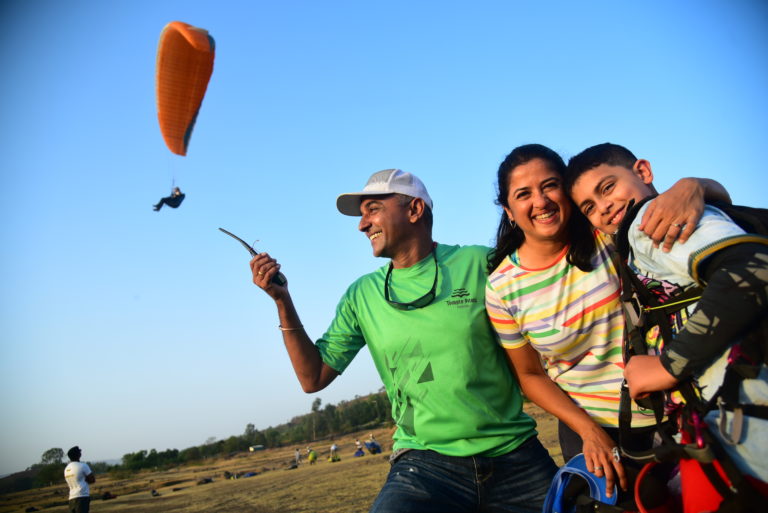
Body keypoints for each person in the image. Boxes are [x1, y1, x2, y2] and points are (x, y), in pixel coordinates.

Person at [250, 168, 558, 512]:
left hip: (514, 455)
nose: (362, 225)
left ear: (414, 210)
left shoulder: (479, 264)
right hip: (426, 465)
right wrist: (282, 301)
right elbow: (313, 377)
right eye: (362, 214)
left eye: (373, 209)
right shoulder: (362, 295)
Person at [484, 144, 727, 500]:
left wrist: (692, 186)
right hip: (595, 430)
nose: (540, 201)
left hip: (677, 409)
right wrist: (588, 432)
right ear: (509, 209)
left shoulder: (608, 233)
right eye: (524, 194)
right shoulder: (502, 287)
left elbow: (706, 201)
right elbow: (530, 375)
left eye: (550, 185)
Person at [566, 142, 768, 493]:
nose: (604, 206)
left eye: (608, 187)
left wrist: (666, 367)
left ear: (643, 172)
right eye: (589, 206)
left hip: (751, 430)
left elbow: (753, 269)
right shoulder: (647, 228)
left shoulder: (647, 226)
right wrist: (696, 184)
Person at [64, 446, 95, 513]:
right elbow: (92, 480)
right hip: (82, 496)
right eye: (79, 452)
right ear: (78, 455)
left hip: (71, 498)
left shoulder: (66, 469)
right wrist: (86, 479)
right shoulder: (83, 466)